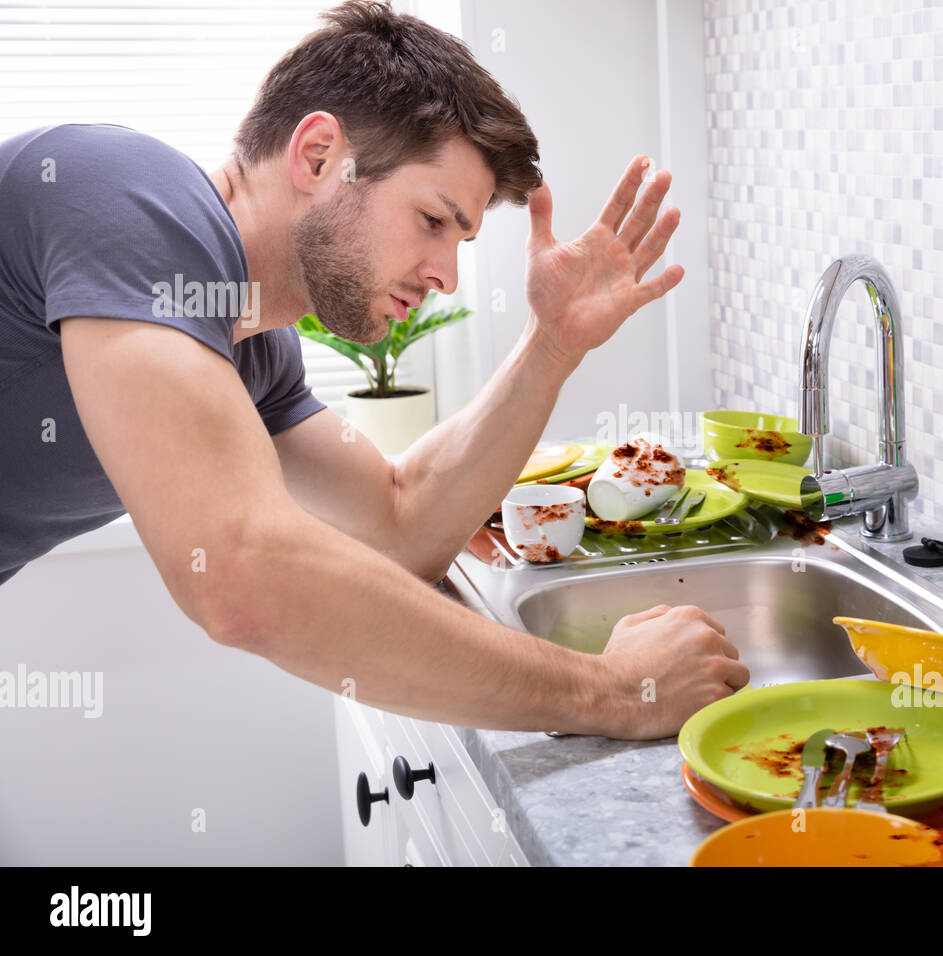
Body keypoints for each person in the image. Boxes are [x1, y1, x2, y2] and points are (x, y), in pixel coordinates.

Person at [0, 0, 747, 739]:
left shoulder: (253, 353)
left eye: (459, 240)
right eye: (432, 220)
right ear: (318, 155)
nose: (447, 276)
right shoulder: (123, 194)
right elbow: (239, 572)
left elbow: (400, 526)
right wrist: (611, 692)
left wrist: (550, 347)